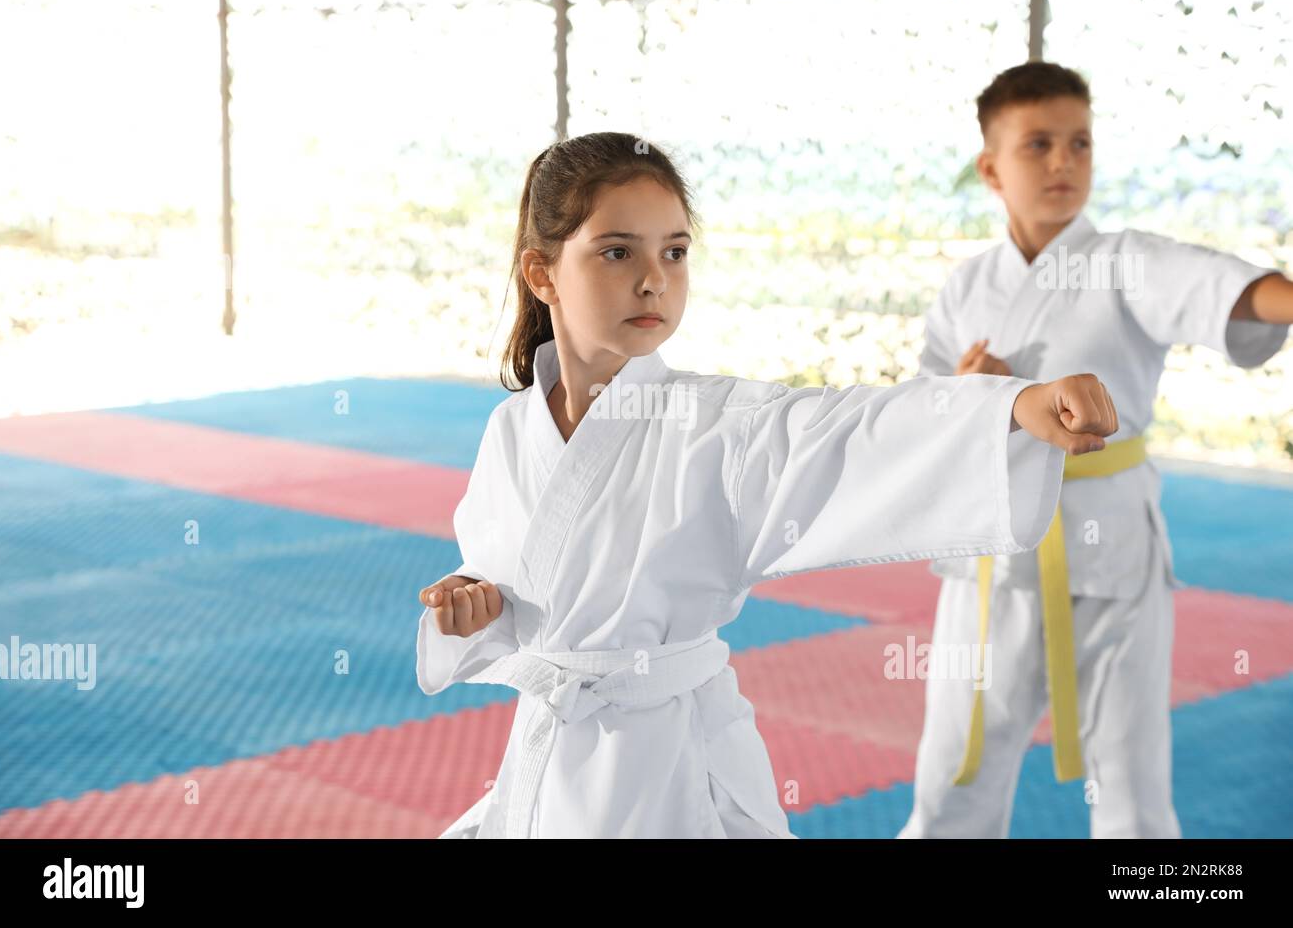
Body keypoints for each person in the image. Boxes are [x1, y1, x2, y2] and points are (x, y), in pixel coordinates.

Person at [415, 130, 1120, 838]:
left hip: (670, 767)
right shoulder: (512, 430)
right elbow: (512, 579)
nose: (654, 277)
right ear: (542, 274)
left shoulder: (718, 426)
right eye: (617, 251)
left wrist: (1011, 409)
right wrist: (471, 605)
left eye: (675, 252)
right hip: (548, 758)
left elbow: (844, 431)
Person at [900, 61, 1293, 839]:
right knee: (953, 775)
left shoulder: (1127, 259)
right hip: (992, 553)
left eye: (1079, 143)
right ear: (991, 168)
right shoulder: (965, 288)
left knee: (1133, 788)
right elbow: (917, 417)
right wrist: (970, 393)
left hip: (1112, 548)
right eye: (1038, 144)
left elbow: (1227, 290)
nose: (1062, 163)